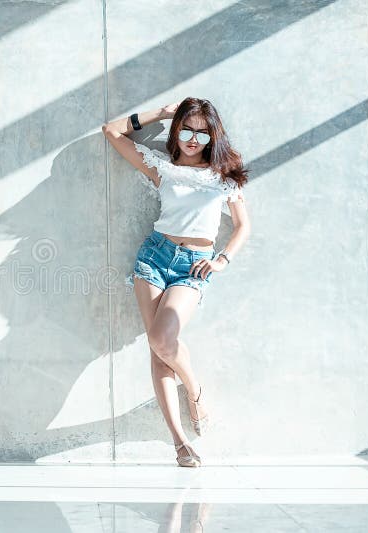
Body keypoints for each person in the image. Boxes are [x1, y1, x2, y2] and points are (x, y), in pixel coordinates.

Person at [101, 97, 251, 467]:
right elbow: (112, 131)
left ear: (212, 136)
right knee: (158, 353)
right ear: (176, 130)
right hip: (153, 258)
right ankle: (180, 442)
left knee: (161, 339)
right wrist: (162, 113)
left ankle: (195, 390)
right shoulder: (162, 169)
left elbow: (243, 226)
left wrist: (222, 259)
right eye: (185, 129)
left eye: (201, 132)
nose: (192, 138)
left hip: (193, 266)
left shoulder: (222, 179)